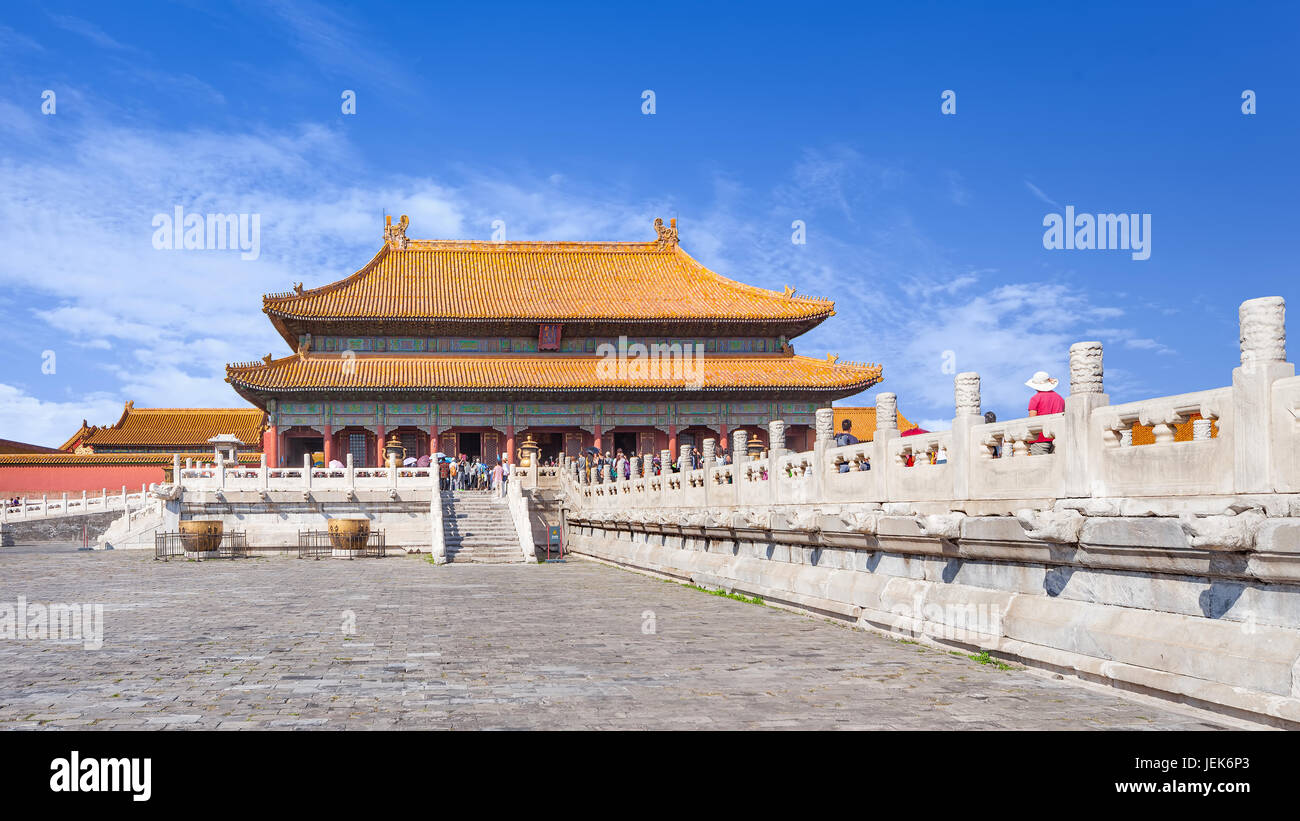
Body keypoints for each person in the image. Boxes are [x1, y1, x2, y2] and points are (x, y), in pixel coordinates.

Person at [1025, 370, 1065, 454]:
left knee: (1039, 466)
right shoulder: (1060, 398)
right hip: (1056, 438)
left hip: (1040, 439)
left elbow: (1032, 421)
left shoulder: (1035, 399)